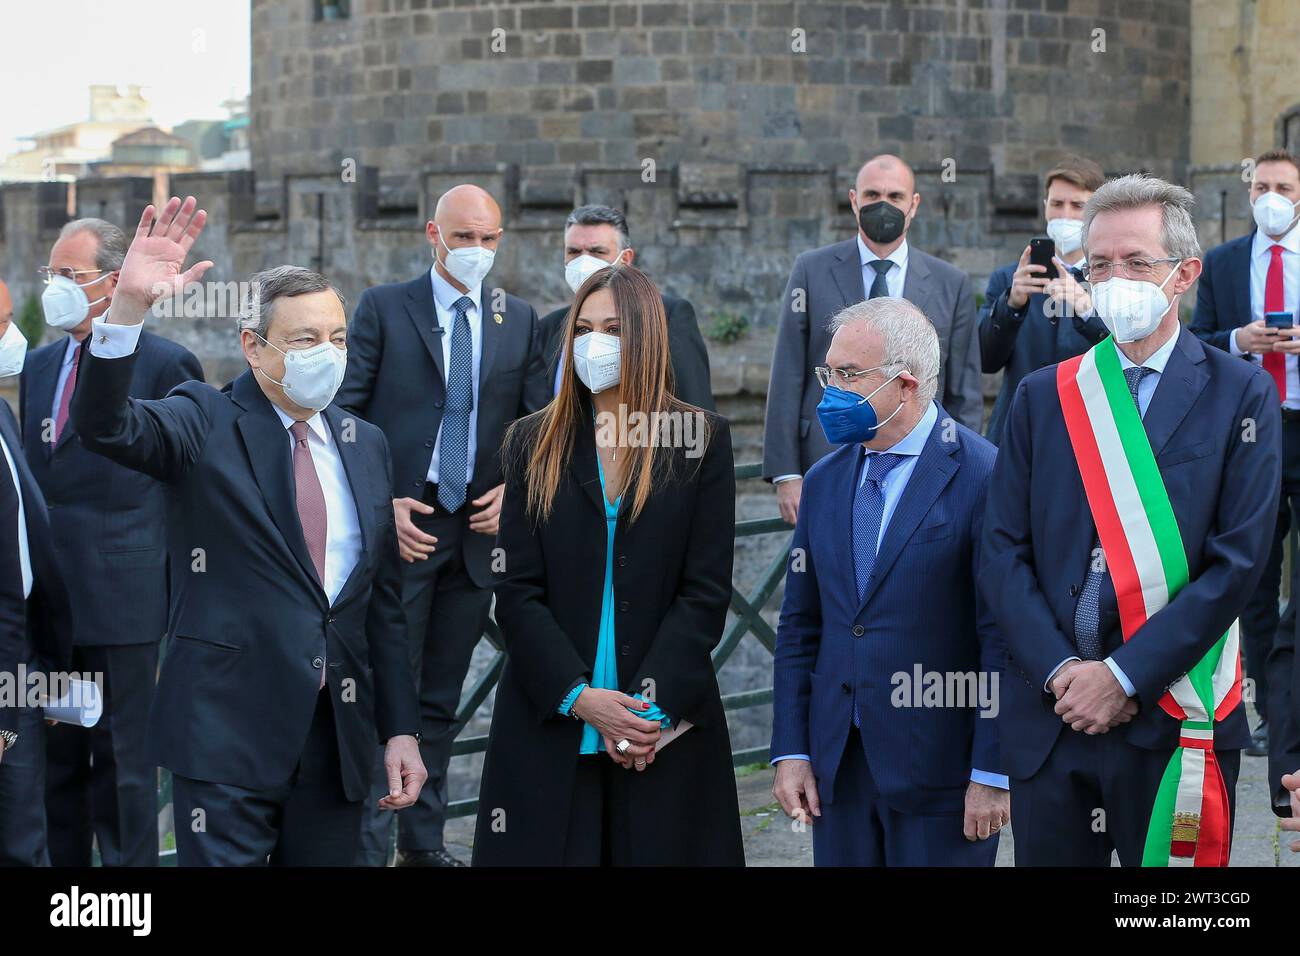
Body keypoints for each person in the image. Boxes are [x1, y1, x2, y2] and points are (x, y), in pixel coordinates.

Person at [70, 196, 425, 866]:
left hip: (336, 743)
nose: (328, 354)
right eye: (304, 340)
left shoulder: (365, 443)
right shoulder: (204, 418)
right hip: (225, 736)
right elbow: (104, 424)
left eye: (338, 338)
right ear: (252, 347)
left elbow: (383, 609)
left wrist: (400, 730)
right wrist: (128, 312)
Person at [981, 175, 1280, 866]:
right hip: (1052, 717)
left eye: (1136, 262)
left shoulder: (1241, 394)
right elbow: (1000, 551)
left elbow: (1237, 564)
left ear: (1184, 273)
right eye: (1100, 264)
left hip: (1175, 712)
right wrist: (1063, 671)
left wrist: (1120, 676)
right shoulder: (1042, 397)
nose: (1114, 279)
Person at [472, 264, 743, 866]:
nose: (595, 342)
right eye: (584, 328)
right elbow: (516, 591)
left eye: (614, 328)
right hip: (553, 721)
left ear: (646, 337)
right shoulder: (528, 443)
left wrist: (646, 708)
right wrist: (581, 696)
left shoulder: (699, 441)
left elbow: (703, 593)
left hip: (661, 730)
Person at [338, 184, 549, 867]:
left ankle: (422, 846)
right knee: (381, 687)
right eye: (464, 238)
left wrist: (515, 489)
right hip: (404, 525)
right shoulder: (383, 307)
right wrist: (382, 503)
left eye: (489, 239)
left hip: (477, 537)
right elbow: (344, 418)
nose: (477, 251)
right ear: (433, 234)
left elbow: (539, 424)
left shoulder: (519, 319)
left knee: (439, 697)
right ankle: (368, 845)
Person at [770, 296, 1006, 866]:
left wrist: (993, 771)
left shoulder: (984, 473)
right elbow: (801, 624)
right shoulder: (826, 479)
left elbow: (1003, 634)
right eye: (829, 372)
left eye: (849, 375)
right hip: (838, 768)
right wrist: (792, 749)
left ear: (906, 383)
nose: (830, 390)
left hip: (941, 774)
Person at [25, 218, 203, 867]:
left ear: (110, 281)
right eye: (51, 274)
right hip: (55, 605)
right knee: (60, 763)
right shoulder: (41, 364)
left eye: (70, 275)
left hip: (125, 604)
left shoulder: (161, 362)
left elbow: (183, 471)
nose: (56, 287)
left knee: (127, 770)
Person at [763, 153, 982, 526]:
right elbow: (787, 371)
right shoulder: (811, 269)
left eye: (895, 196)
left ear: (913, 205)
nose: (884, 205)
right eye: (872, 195)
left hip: (918, 462)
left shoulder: (951, 283)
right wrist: (787, 474)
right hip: (824, 455)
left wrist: (959, 468)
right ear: (854, 201)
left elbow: (964, 389)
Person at [1191, 148, 1300, 759]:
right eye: (1261, 185)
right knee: (1254, 572)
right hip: (1255, 432)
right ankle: (1266, 710)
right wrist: (1240, 339)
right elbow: (1198, 342)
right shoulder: (1226, 263)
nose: (1271, 196)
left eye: (1282, 185)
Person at [0, 277, 72, 867]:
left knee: (25, 837)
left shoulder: (2, 409)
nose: (13, 335)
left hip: (21, 660)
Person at [980, 155, 1110, 446]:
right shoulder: (1008, 278)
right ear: (1045, 207)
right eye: (1056, 204)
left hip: (1088, 433)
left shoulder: (1112, 282)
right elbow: (986, 360)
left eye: (1077, 206)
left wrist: (1088, 311)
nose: (1065, 215)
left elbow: (1129, 355)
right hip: (1017, 430)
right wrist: (1012, 304)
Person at [538, 204, 714, 410]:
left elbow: (695, 404)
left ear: (626, 258)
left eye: (597, 252)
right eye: (574, 252)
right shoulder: (548, 328)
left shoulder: (667, 316)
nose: (584, 262)